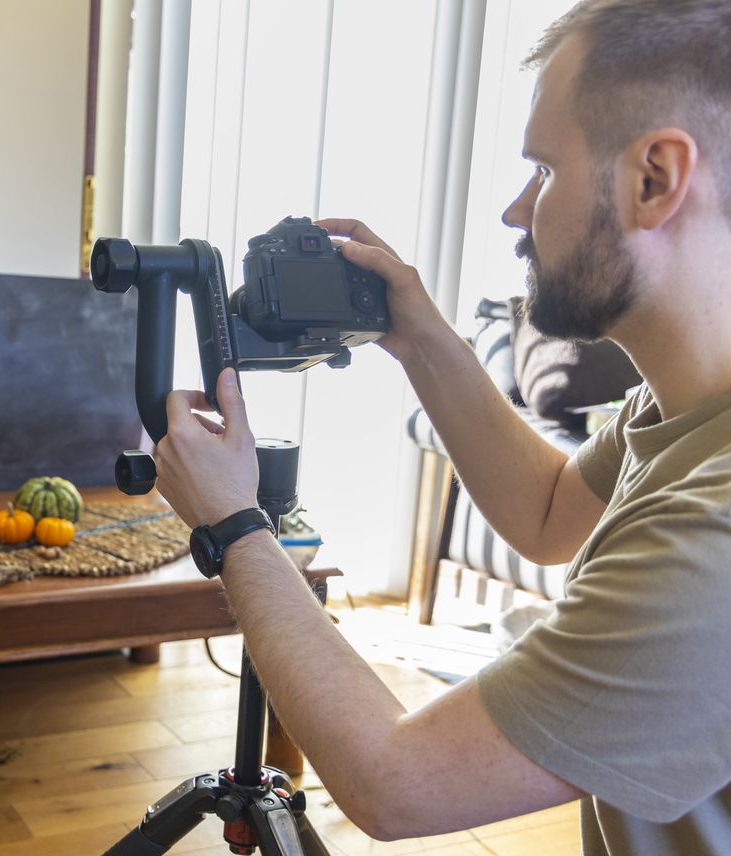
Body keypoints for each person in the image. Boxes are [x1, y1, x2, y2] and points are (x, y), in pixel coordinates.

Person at [152, 0, 731, 852]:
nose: (515, 211)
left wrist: (236, 526)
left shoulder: (711, 539)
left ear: (655, 178)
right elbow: (547, 514)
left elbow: (399, 788)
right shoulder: (684, 403)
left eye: (542, 170)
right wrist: (417, 332)